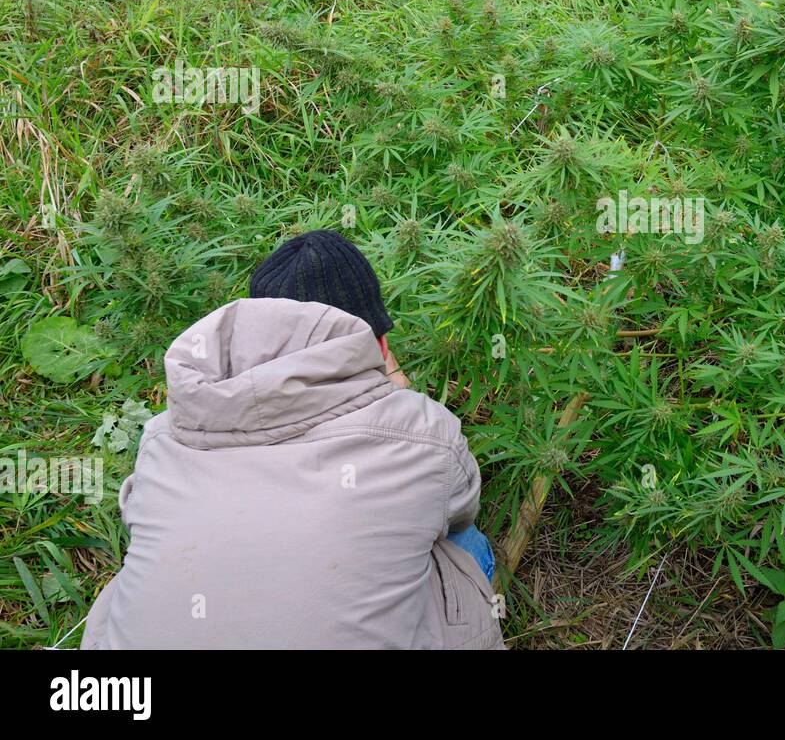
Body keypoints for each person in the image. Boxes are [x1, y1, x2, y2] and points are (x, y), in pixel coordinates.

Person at [82, 229, 503, 649]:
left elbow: (139, 516)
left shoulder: (166, 432)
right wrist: (400, 397)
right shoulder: (423, 435)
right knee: (464, 543)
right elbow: (462, 508)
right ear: (379, 343)